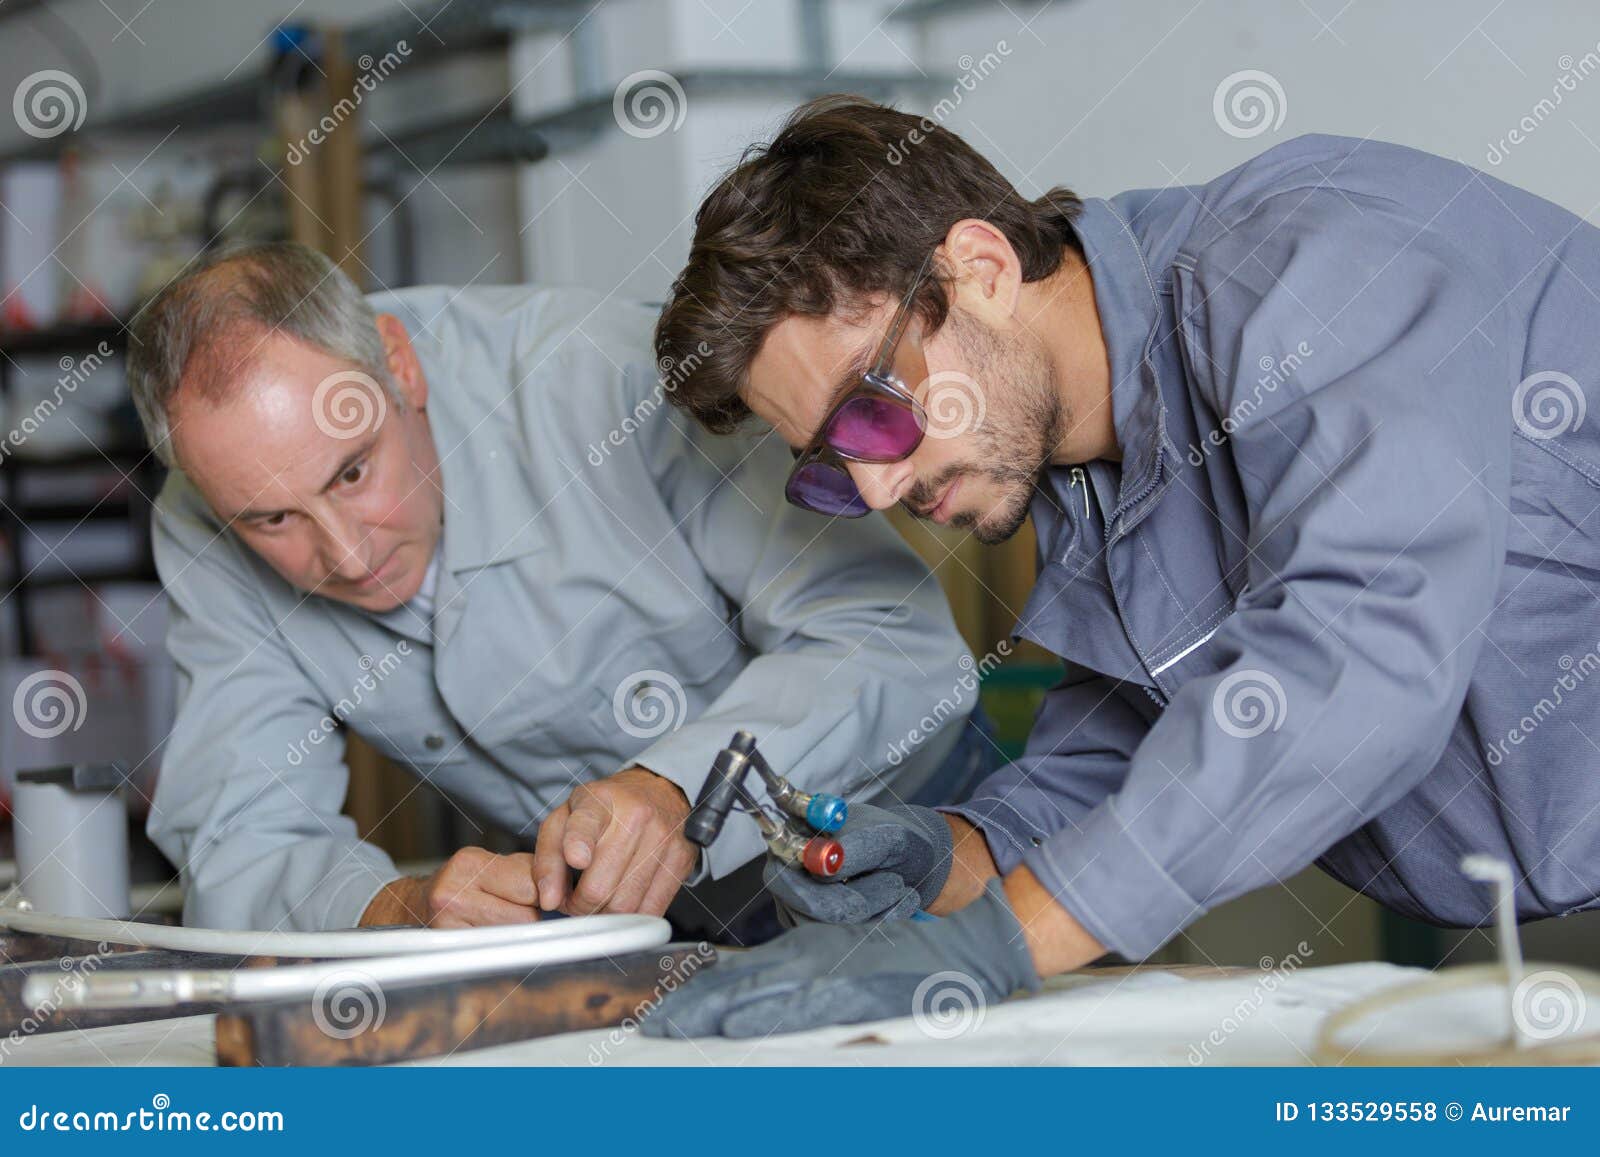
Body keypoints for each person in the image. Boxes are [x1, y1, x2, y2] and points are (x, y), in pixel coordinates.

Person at [643, 96, 1600, 1037]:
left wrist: (999, 945)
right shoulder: (1074, 480)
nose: (879, 487)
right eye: (829, 465)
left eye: (869, 410)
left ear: (981, 269)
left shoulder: (1309, 258)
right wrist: (949, 856)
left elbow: (1364, 650)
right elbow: (1127, 757)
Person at [128, 241, 979, 937]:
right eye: (273, 520)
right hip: (655, 933)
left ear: (399, 365)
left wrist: (680, 788)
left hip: (914, 836)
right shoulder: (207, 512)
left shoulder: (606, 377)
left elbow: (893, 640)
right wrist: (392, 909)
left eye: (352, 472)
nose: (347, 555)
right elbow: (239, 829)